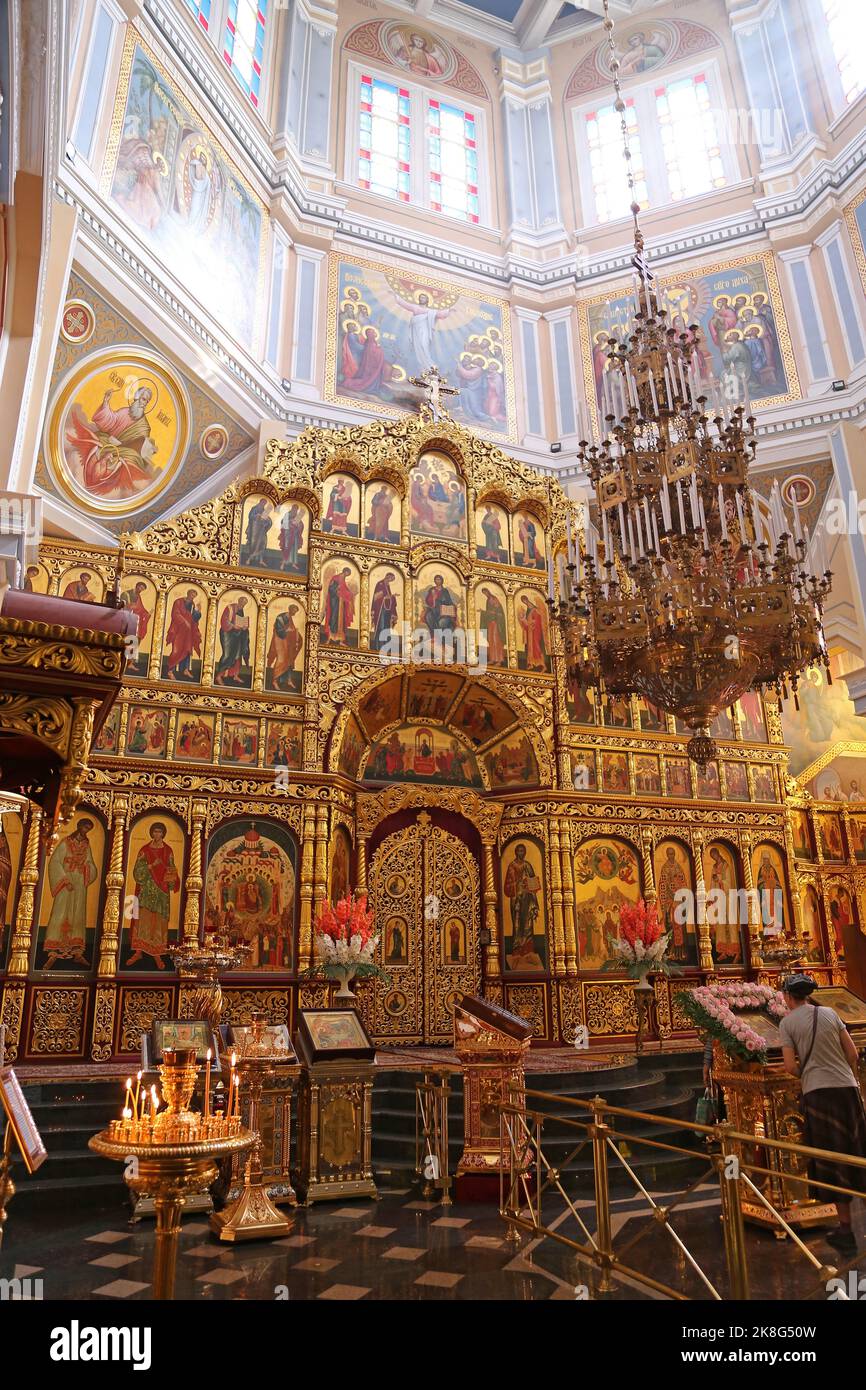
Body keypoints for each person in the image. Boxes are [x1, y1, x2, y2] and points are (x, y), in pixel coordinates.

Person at [779, 973, 866, 1256]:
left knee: (831, 1156)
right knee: (858, 1151)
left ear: (788, 996)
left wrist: (811, 1071)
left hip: (819, 1094)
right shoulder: (829, 1012)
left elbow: (790, 1067)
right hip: (847, 1091)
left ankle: (845, 1229)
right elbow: (852, 1053)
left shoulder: (787, 1023)